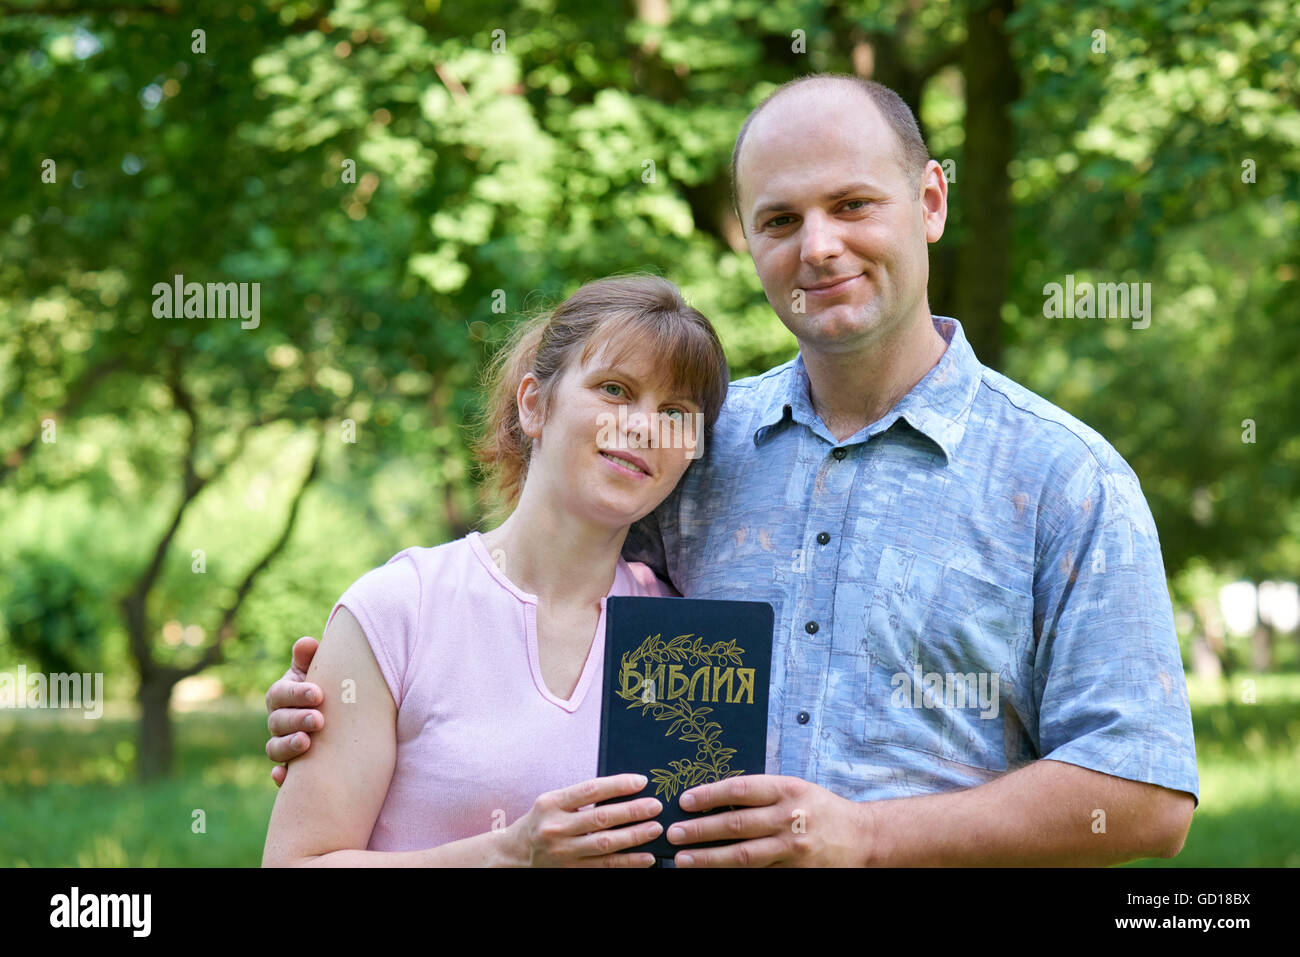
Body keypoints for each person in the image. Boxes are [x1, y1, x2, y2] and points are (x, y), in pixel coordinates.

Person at [266, 74, 1199, 867]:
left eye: (853, 204)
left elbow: (1149, 795)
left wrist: (867, 838)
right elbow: (520, 598)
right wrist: (349, 691)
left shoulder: (1068, 478)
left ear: (931, 202)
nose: (819, 245)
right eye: (780, 219)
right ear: (749, 242)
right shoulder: (692, 444)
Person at [261, 274, 729, 866]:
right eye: (614, 389)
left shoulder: (693, 644)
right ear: (534, 404)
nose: (641, 425)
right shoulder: (399, 608)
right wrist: (509, 855)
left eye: (675, 411)